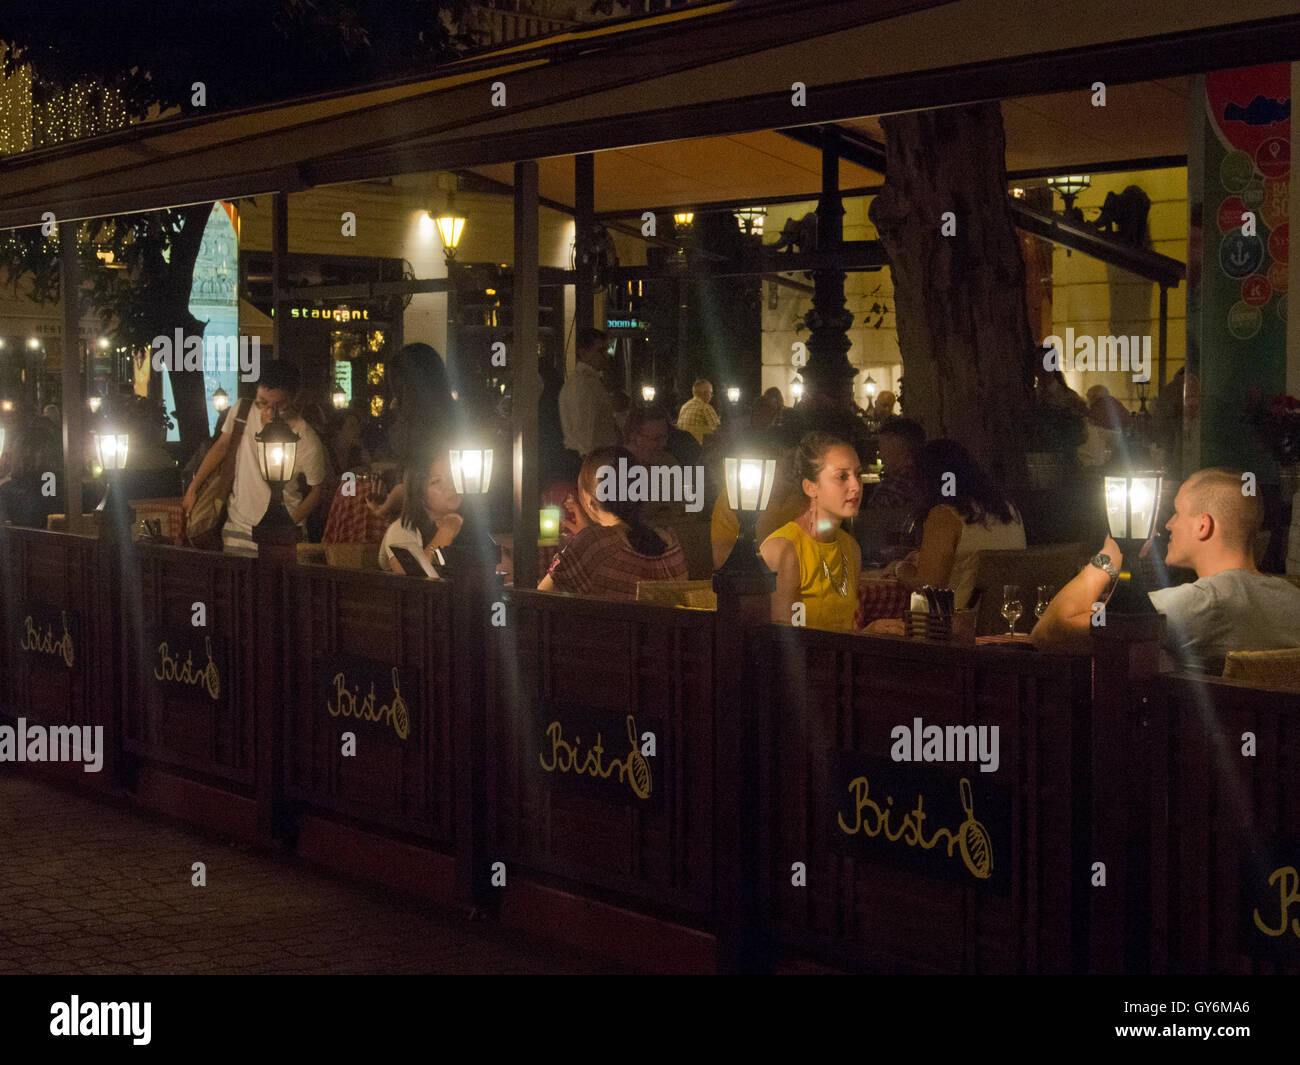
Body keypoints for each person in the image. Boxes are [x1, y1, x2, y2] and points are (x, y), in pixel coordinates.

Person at [1032, 468, 1300, 672]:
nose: (1168, 525)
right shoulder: (1291, 598)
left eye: (1177, 512)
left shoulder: (1202, 603)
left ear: (1202, 526)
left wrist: (1110, 556)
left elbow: (1049, 632)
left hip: (1186, 744)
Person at [182, 359, 327, 554]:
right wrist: (193, 487)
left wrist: (286, 525)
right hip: (237, 526)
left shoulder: (306, 438)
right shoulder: (242, 411)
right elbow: (221, 447)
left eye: (279, 405)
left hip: (282, 534)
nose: (269, 411)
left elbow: (317, 491)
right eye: (263, 402)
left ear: (294, 399)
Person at [887, 439, 1025, 610]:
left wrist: (899, 568)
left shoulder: (945, 514)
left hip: (955, 625)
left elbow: (927, 585)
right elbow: (968, 561)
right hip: (1007, 619)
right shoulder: (1009, 510)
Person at [539, 446, 687, 600]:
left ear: (590, 501)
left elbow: (540, 598)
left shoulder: (595, 545)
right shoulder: (671, 542)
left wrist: (584, 539)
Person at [759, 432, 863, 633]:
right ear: (810, 487)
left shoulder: (851, 548)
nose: (856, 486)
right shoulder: (785, 550)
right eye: (842, 476)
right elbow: (783, 644)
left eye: (858, 474)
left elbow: (844, 630)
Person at [378, 447, 463, 578]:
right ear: (419, 493)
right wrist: (446, 531)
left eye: (453, 475)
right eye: (436, 481)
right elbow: (414, 579)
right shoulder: (402, 529)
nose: (451, 485)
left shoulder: (469, 524)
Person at [856, 415, 926, 564]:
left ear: (899, 448)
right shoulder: (927, 481)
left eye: (882, 447)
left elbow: (871, 531)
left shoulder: (893, 487)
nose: (880, 454)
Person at [557, 330, 619, 462]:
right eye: (600, 351)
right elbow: (585, 431)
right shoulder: (582, 385)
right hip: (590, 460)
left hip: (595, 458)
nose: (606, 356)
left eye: (606, 350)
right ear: (583, 352)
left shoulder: (589, 382)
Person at [677, 378, 720, 445]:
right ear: (706, 393)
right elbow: (717, 430)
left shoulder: (684, 406)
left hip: (682, 446)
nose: (711, 396)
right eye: (711, 393)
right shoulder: (705, 408)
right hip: (700, 449)